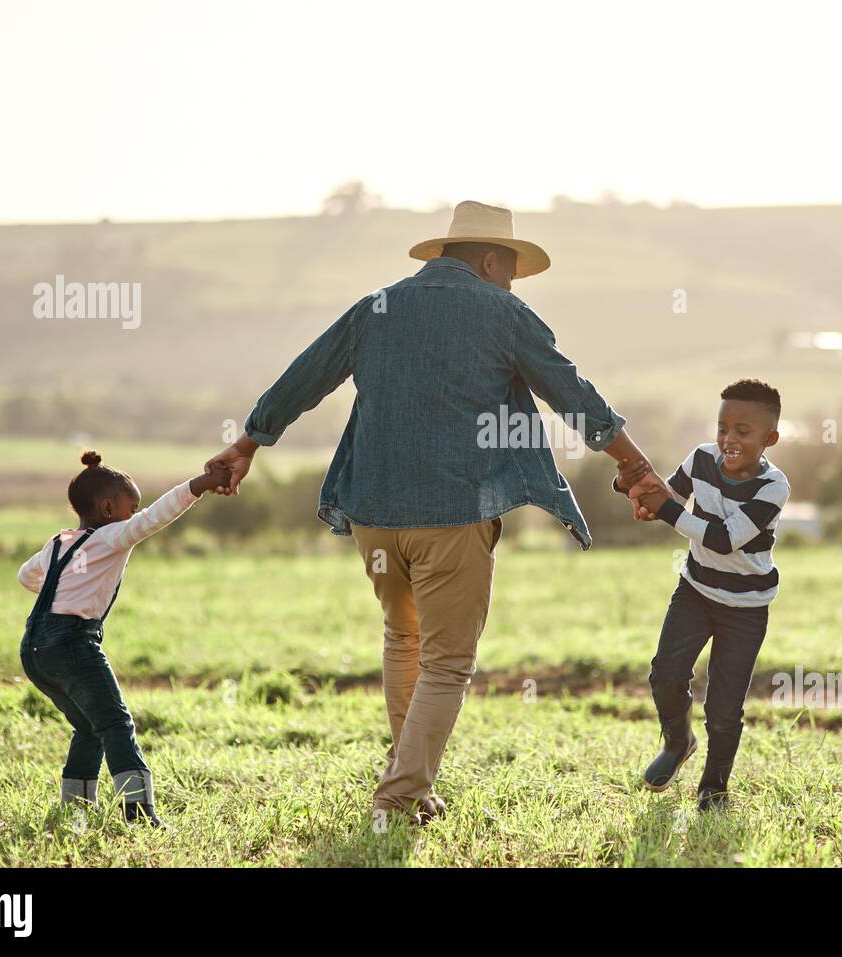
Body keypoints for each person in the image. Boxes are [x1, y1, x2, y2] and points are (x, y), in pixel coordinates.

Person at [205, 200, 665, 826]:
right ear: (491, 260)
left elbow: (303, 378)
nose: (511, 284)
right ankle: (396, 800)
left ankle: (411, 783)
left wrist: (247, 444)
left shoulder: (375, 308)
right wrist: (635, 467)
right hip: (453, 512)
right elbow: (573, 395)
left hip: (373, 516)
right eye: (511, 271)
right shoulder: (504, 313)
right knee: (447, 661)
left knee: (404, 638)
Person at [17, 450, 230, 826]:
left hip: (35, 648)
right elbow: (157, 516)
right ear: (107, 508)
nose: (135, 516)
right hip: (72, 644)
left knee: (88, 727)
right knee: (116, 724)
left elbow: (26, 575)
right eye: (131, 509)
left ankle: (76, 809)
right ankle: (139, 813)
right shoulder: (111, 537)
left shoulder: (58, 543)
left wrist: (64, 591)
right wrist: (202, 484)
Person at [620, 379, 790, 811]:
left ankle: (714, 786)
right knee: (665, 674)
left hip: (746, 609)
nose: (729, 439)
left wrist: (666, 510)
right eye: (723, 428)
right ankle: (678, 742)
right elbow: (667, 498)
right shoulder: (700, 458)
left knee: (724, 707)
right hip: (695, 591)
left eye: (743, 431)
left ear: (769, 439)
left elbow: (722, 539)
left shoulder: (773, 487)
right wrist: (633, 488)